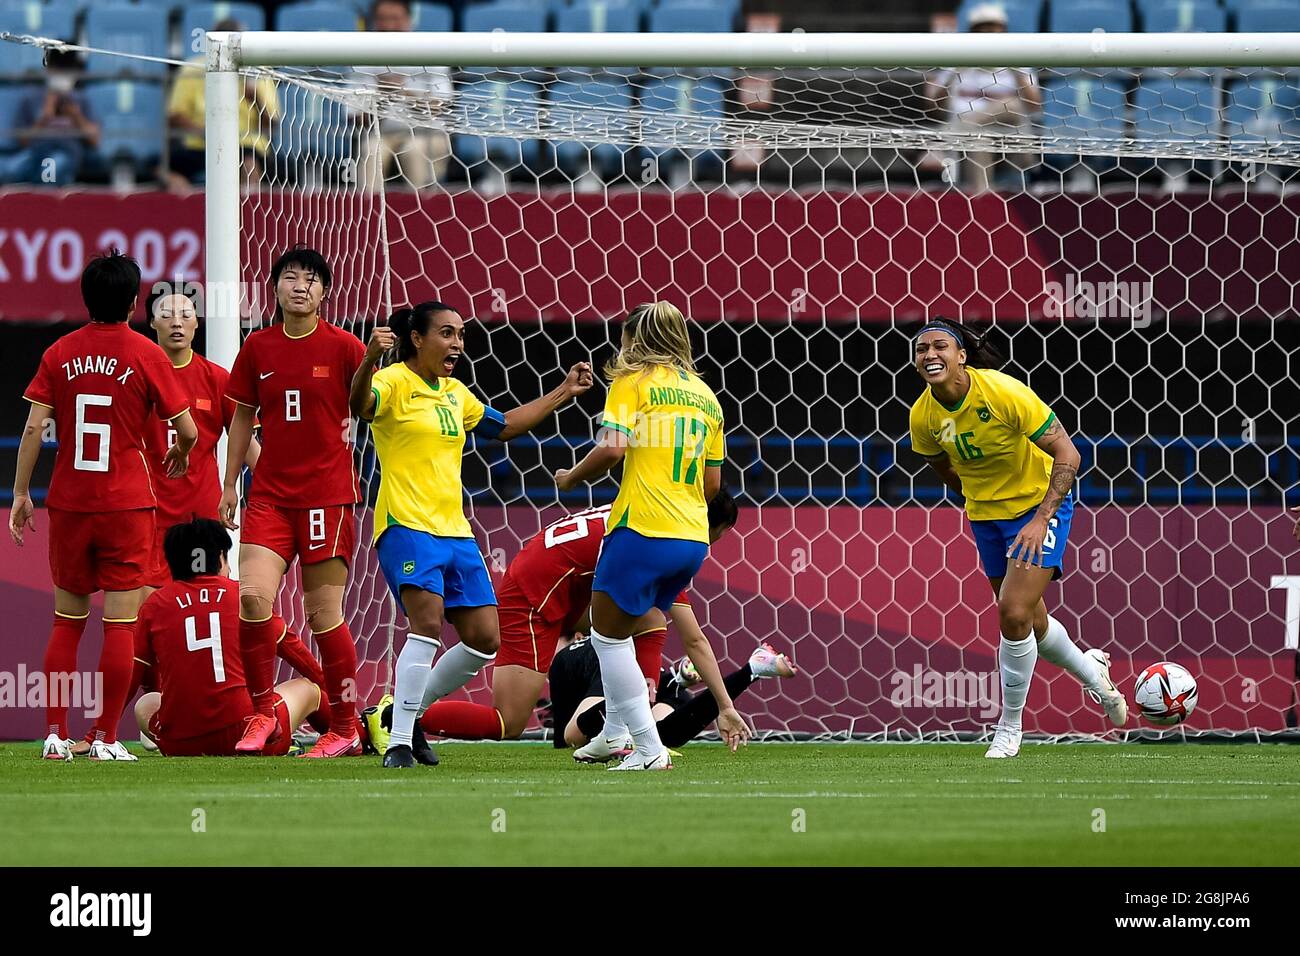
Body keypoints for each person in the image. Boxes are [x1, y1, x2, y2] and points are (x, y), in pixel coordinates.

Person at [349, 301, 593, 768]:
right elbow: (358, 406)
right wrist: (366, 361)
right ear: (416, 338)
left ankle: (404, 716)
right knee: (426, 625)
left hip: (455, 532)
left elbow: (505, 426)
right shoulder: (392, 381)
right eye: (446, 333)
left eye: (460, 334)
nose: (457, 342)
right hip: (406, 525)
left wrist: (563, 391)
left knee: (485, 637)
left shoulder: (456, 392)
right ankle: (399, 742)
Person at [908, 317, 1126, 758]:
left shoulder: (1003, 392)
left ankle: (1009, 727)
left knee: (1012, 613)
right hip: (987, 517)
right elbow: (943, 469)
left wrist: (1040, 517)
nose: (930, 354)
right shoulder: (923, 416)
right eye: (921, 349)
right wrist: (982, 498)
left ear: (961, 356)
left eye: (940, 347)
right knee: (1031, 623)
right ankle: (1092, 672)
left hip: (1037, 507)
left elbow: (1068, 452)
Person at [9, 251, 197, 761]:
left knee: (66, 621)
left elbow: (32, 427)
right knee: (119, 626)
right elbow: (189, 430)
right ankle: (108, 740)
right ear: (135, 302)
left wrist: (23, 492)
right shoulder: (145, 353)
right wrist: (178, 452)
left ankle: (52, 734)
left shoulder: (59, 351)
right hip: (127, 505)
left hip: (70, 503)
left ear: (85, 297)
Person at [377, 490, 741, 751]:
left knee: (648, 619)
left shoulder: (644, 509)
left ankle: (626, 729)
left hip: (564, 587)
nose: (711, 546)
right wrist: (725, 707)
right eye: (717, 536)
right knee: (509, 722)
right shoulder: (661, 542)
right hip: (534, 599)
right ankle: (399, 718)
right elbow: (694, 641)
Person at [555, 301, 748, 771]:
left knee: (606, 638)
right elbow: (712, 486)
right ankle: (612, 735)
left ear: (633, 341)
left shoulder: (631, 382)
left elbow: (612, 449)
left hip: (642, 528)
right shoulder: (706, 395)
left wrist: (570, 479)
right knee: (636, 629)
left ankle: (646, 748)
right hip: (691, 538)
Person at [220, 247, 367, 758]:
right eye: (289, 277)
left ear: (324, 292)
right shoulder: (257, 347)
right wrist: (227, 485)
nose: (299, 285)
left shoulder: (347, 347)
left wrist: (377, 362)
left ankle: (346, 726)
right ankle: (261, 712)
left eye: (310, 279)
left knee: (323, 613)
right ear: (275, 288)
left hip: (328, 497)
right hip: (270, 498)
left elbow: (370, 406)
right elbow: (241, 419)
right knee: (253, 599)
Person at [132, 518, 327, 757]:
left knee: (146, 703)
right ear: (221, 556)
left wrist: (102, 731)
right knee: (309, 689)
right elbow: (297, 655)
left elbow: (135, 670)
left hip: (181, 744)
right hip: (246, 732)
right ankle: (351, 733)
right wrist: (336, 695)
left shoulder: (154, 604)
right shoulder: (243, 596)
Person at [554, 639, 796, 755]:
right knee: (659, 737)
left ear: (576, 636)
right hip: (651, 679)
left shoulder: (570, 656)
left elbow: (570, 738)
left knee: (574, 735)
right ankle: (751, 670)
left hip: (626, 670)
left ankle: (671, 679)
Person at [925, 4, 1041, 191]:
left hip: (1009, 131)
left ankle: (964, 125)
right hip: (971, 135)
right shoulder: (957, 59)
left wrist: (1014, 67)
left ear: (1003, 30)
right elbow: (932, 106)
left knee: (1011, 104)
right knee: (980, 139)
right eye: (982, 28)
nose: (988, 32)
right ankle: (983, 201)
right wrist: (956, 71)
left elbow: (1034, 104)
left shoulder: (1018, 58)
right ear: (972, 31)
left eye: (993, 27)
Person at [165, 18, 279, 188]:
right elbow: (174, 116)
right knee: (165, 170)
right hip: (201, 145)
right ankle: (191, 212)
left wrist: (255, 99)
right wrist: (205, 132)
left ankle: (246, 212)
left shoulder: (259, 71)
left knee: (249, 165)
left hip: (245, 145)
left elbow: (272, 124)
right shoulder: (191, 69)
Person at [353, 0, 453, 191]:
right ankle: (368, 213)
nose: (389, 26)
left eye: (395, 19)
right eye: (383, 20)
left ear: (409, 20)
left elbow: (440, 106)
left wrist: (403, 93)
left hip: (426, 132)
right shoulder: (362, 54)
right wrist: (381, 99)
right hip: (381, 133)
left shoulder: (431, 50)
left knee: (415, 151)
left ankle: (421, 212)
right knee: (371, 150)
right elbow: (356, 117)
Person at [0, 49, 99, 186]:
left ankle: (43, 203)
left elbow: (94, 141)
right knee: (10, 171)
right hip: (35, 151)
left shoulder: (81, 99)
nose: (62, 74)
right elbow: (23, 141)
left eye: (67, 69)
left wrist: (75, 115)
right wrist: (44, 117)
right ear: (49, 69)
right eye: (58, 68)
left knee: (51, 173)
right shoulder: (31, 97)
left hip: (65, 152)